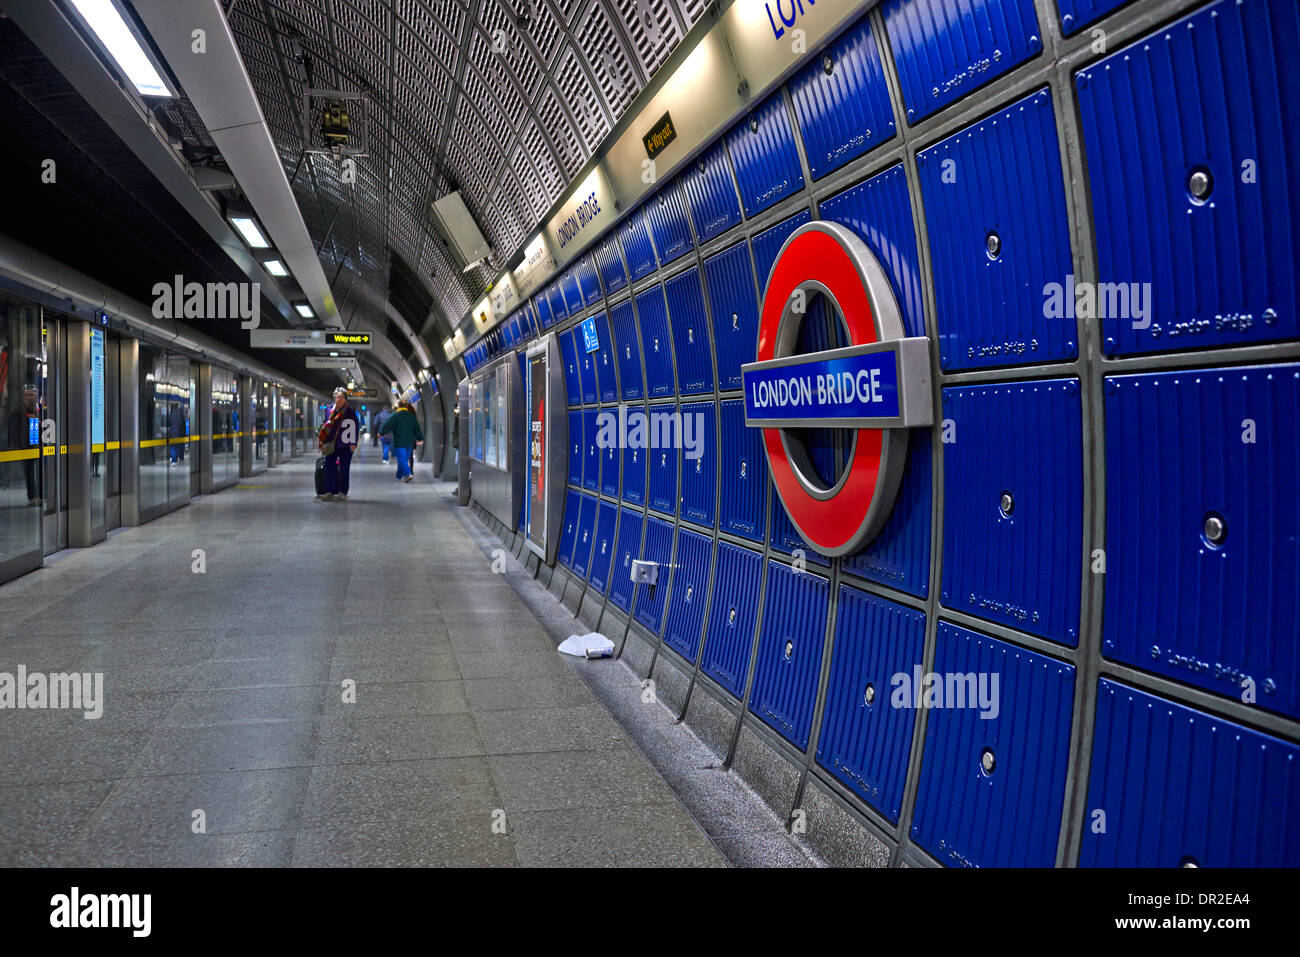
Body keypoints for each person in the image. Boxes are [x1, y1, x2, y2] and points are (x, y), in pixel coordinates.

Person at [318, 387, 359, 501]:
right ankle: (329, 491)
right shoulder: (329, 411)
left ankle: (343, 491)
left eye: (340, 397)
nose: (338, 399)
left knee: (344, 469)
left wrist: (353, 443)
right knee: (328, 468)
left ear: (345, 399)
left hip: (345, 445)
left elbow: (354, 428)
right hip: (331, 444)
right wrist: (322, 440)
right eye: (336, 397)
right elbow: (326, 426)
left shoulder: (350, 413)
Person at [5, 385, 41, 505]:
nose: (31, 397)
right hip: (25, 447)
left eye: (33, 395)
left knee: (38, 470)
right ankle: (31, 496)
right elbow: (14, 430)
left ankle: (39, 495)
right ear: (23, 397)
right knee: (29, 471)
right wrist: (14, 445)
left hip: (35, 445)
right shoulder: (18, 413)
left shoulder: (37, 412)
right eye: (28, 395)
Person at [379, 400, 423, 483]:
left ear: (398, 406)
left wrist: (381, 432)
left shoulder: (395, 416)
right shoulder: (412, 416)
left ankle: (407, 474)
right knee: (404, 459)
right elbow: (417, 428)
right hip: (410, 442)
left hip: (399, 442)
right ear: (406, 406)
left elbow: (387, 425)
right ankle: (399, 474)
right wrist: (419, 438)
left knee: (401, 459)